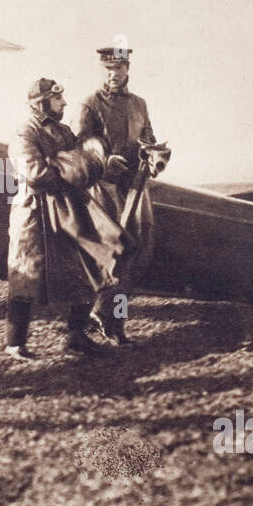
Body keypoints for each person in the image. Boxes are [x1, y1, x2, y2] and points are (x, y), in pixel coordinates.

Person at [5, 78, 126, 360]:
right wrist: (72, 169)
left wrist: (103, 165)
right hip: (33, 211)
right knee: (26, 272)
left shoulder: (64, 131)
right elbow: (35, 172)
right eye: (58, 99)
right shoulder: (24, 132)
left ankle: (76, 336)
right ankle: (15, 343)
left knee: (86, 267)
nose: (64, 103)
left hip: (67, 209)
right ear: (42, 103)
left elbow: (83, 161)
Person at [76, 46, 168, 346]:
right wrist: (104, 159)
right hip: (105, 189)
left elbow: (149, 137)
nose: (112, 75)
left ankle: (114, 322)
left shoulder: (139, 104)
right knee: (112, 254)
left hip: (136, 188)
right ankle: (99, 318)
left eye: (116, 69)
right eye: (107, 70)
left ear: (127, 69)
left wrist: (154, 153)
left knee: (138, 256)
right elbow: (83, 141)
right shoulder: (91, 103)